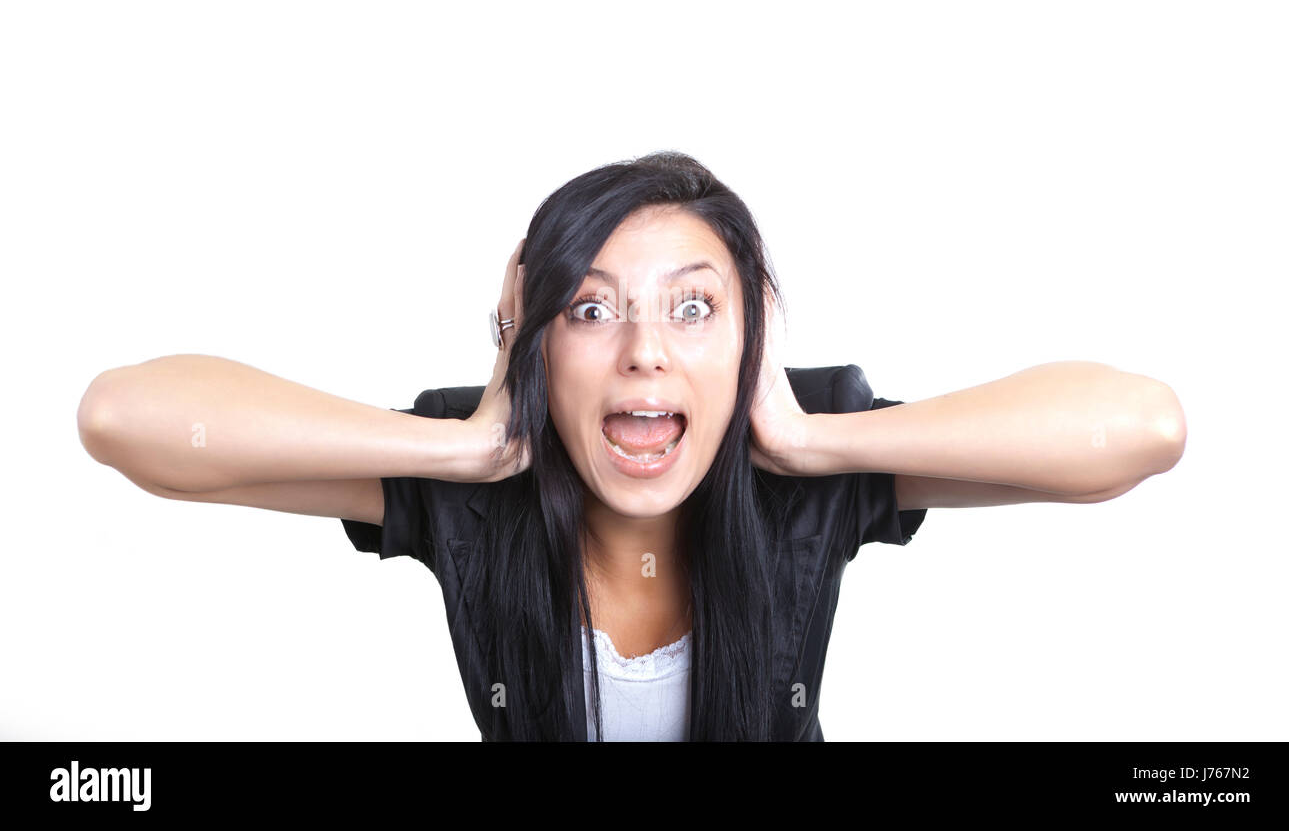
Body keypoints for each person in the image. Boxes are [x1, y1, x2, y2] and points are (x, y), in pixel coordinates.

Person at [76, 150, 1187, 741]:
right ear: (538, 344)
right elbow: (124, 417)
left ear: (751, 338)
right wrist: (463, 448)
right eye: (592, 309)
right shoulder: (470, 487)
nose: (645, 353)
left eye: (695, 309)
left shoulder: (805, 474)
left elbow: (1138, 429)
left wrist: (806, 434)